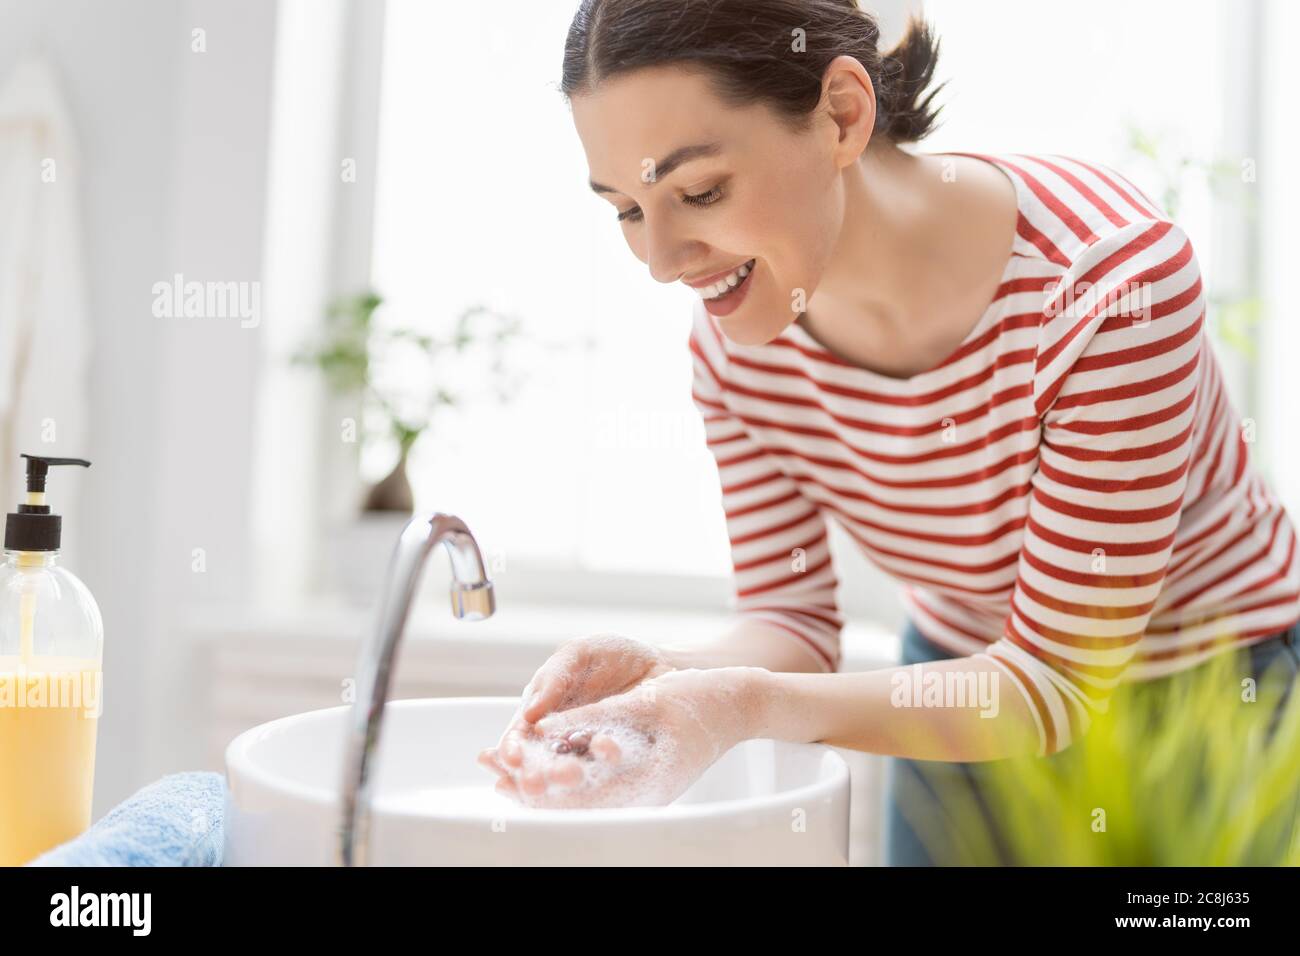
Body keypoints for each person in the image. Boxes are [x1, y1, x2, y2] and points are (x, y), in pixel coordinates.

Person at [478, 0, 1300, 862]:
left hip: (1211, 704)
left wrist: (740, 707)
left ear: (842, 114)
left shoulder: (1105, 289)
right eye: (627, 210)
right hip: (958, 683)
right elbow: (791, 621)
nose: (660, 262)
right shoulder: (740, 343)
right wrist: (666, 675)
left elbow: (1054, 682)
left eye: (700, 192)